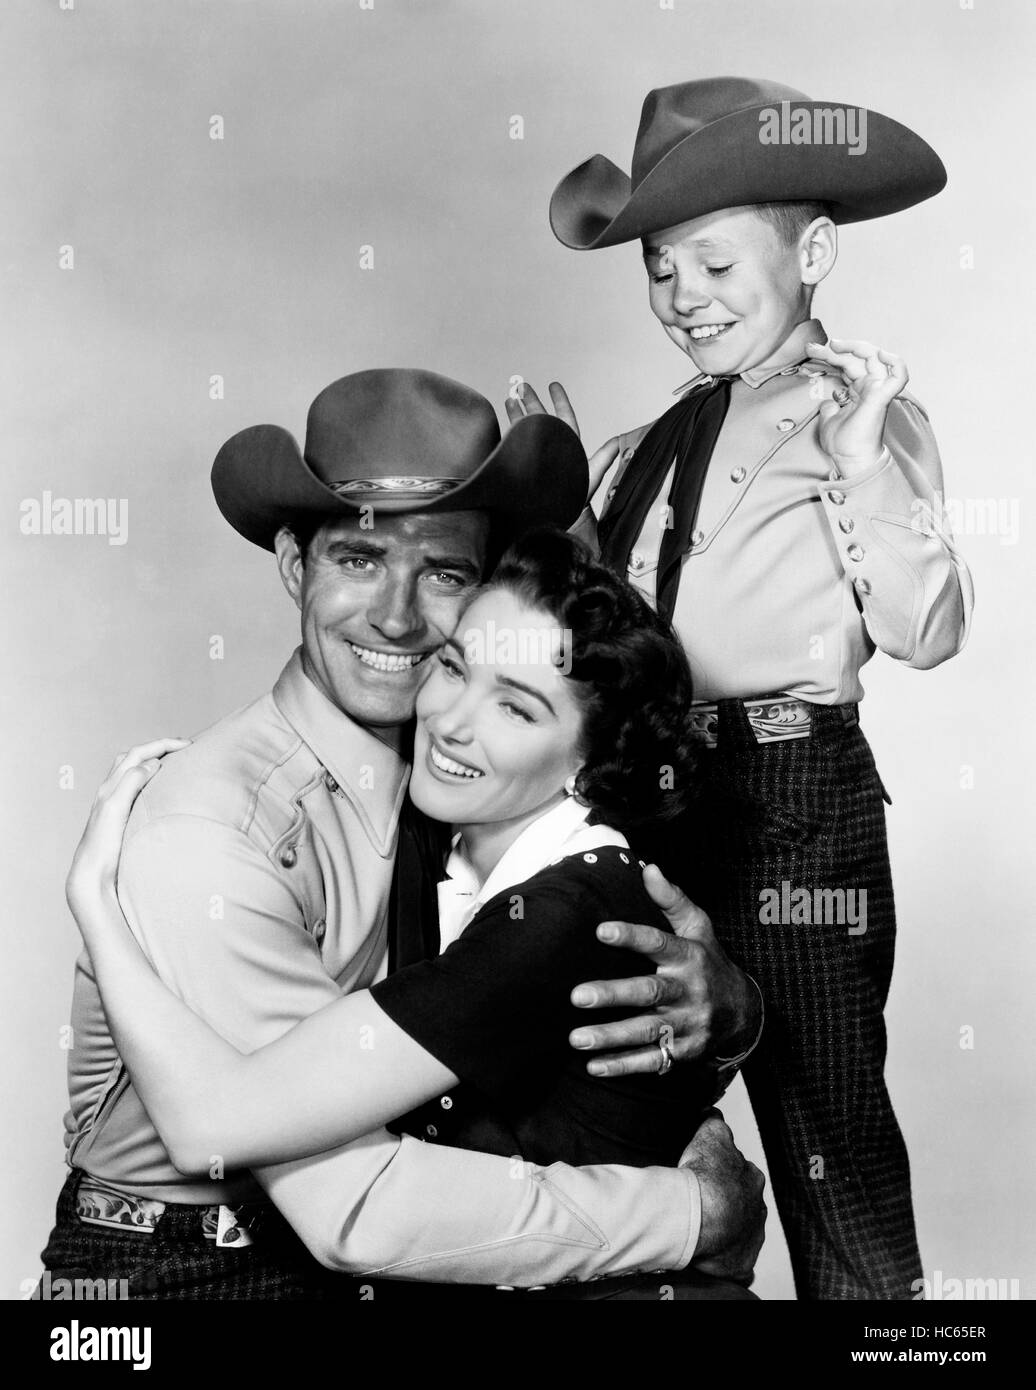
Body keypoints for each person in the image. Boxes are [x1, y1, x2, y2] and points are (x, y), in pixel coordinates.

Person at [42, 367, 764, 1300]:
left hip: (407, 1257)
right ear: (295, 564)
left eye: (445, 573)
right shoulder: (211, 828)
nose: (395, 614)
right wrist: (691, 1213)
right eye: (357, 560)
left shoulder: (470, 784)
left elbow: (610, 713)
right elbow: (353, 1204)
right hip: (188, 1269)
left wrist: (732, 1013)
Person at [514, 76, 975, 1299]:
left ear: (812, 252)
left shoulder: (857, 413)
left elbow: (925, 629)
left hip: (790, 805)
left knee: (824, 1126)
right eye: (660, 269)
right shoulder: (649, 444)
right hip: (647, 793)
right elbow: (608, 638)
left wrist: (867, 455)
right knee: (616, 1099)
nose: (683, 297)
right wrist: (570, 528)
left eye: (714, 265)